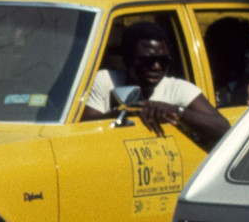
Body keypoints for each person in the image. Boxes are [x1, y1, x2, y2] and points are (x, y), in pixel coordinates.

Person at [81, 20, 232, 149]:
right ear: (127, 58)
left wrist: (175, 111)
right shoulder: (106, 80)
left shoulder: (178, 89)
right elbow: (84, 129)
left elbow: (224, 130)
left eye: (163, 60)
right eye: (148, 60)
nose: (157, 66)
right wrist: (128, 113)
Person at [204, 17, 249, 109]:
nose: (218, 57)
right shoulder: (205, 81)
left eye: (229, 49)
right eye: (213, 49)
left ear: (244, 51)